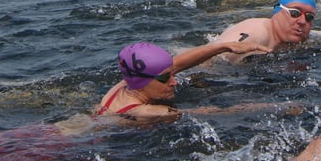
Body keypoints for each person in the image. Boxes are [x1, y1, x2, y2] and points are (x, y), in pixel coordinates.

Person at [94, 40, 271, 122]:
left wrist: (223, 46)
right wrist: (272, 107)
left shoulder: (126, 84)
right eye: (166, 78)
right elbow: (213, 112)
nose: (174, 82)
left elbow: (178, 63)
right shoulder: (149, 113)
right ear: (143, 82)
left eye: (172, 74)